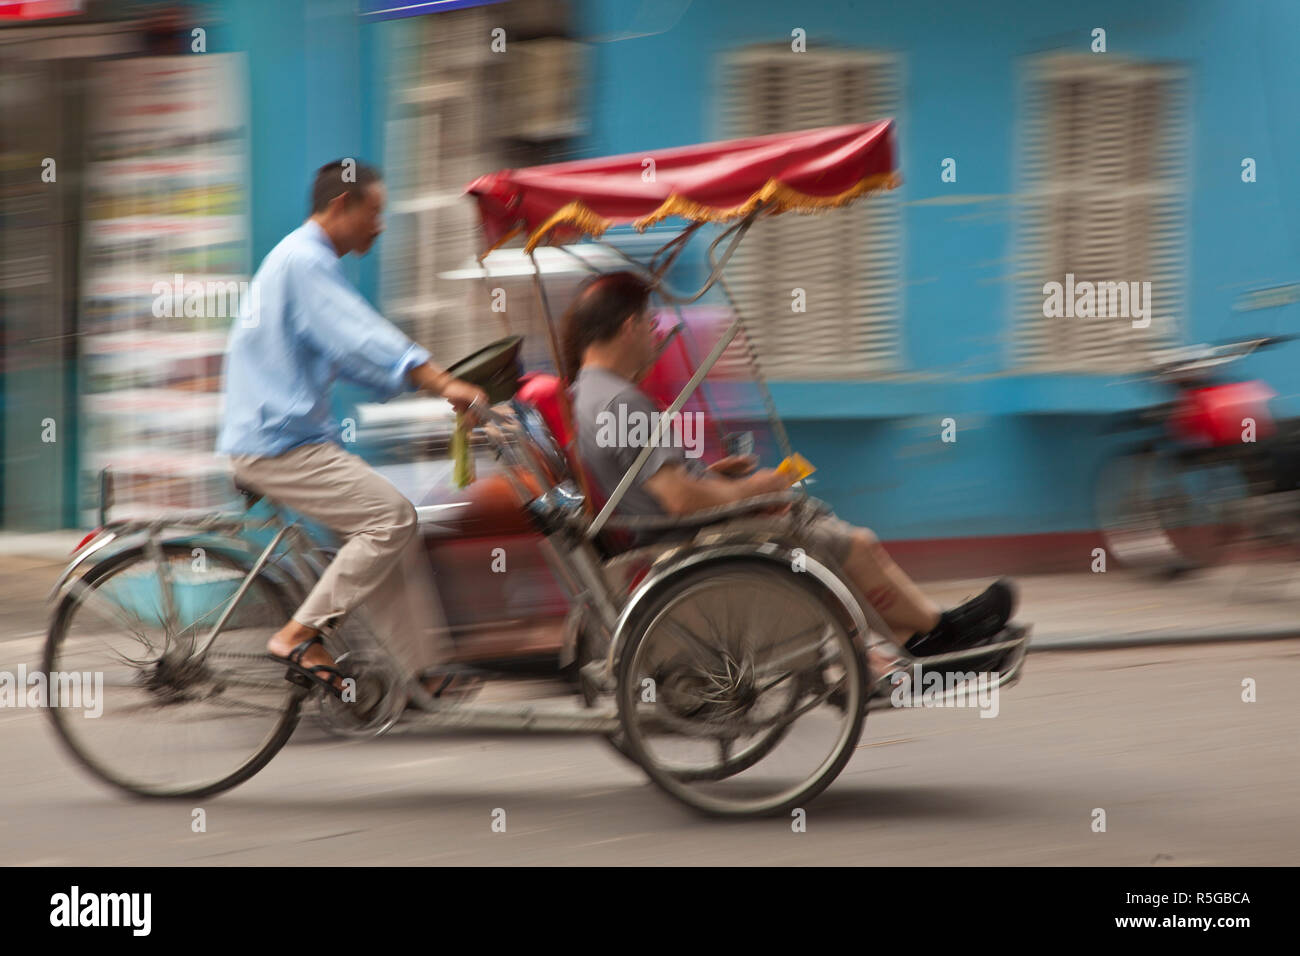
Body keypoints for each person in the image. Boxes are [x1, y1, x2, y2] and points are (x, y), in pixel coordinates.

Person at [562, 271, 1017, 674]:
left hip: (670, 529)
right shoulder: (621, 402)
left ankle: (928, 633)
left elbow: (649, 480)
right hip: (681, 538)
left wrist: (714, 475)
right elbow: (677, 499)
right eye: (649, 324)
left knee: (833, 529)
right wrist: (757, 485)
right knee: (852, 542)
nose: (652, 335)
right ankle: (936, 633)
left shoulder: (591, 394)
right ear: (628, 327)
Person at [216, 159, 487, 702]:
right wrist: (441, 382)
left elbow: (356, 355)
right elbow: (363, 339)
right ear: (342, 206)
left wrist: (426, 386)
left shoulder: (303, 261)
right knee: (390, 518)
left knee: (389, 531)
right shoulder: (304, 262)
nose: (380, 226)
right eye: (375, 212)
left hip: (286, 439)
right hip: (278, 444)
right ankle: (298, 635)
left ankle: (422, 672)